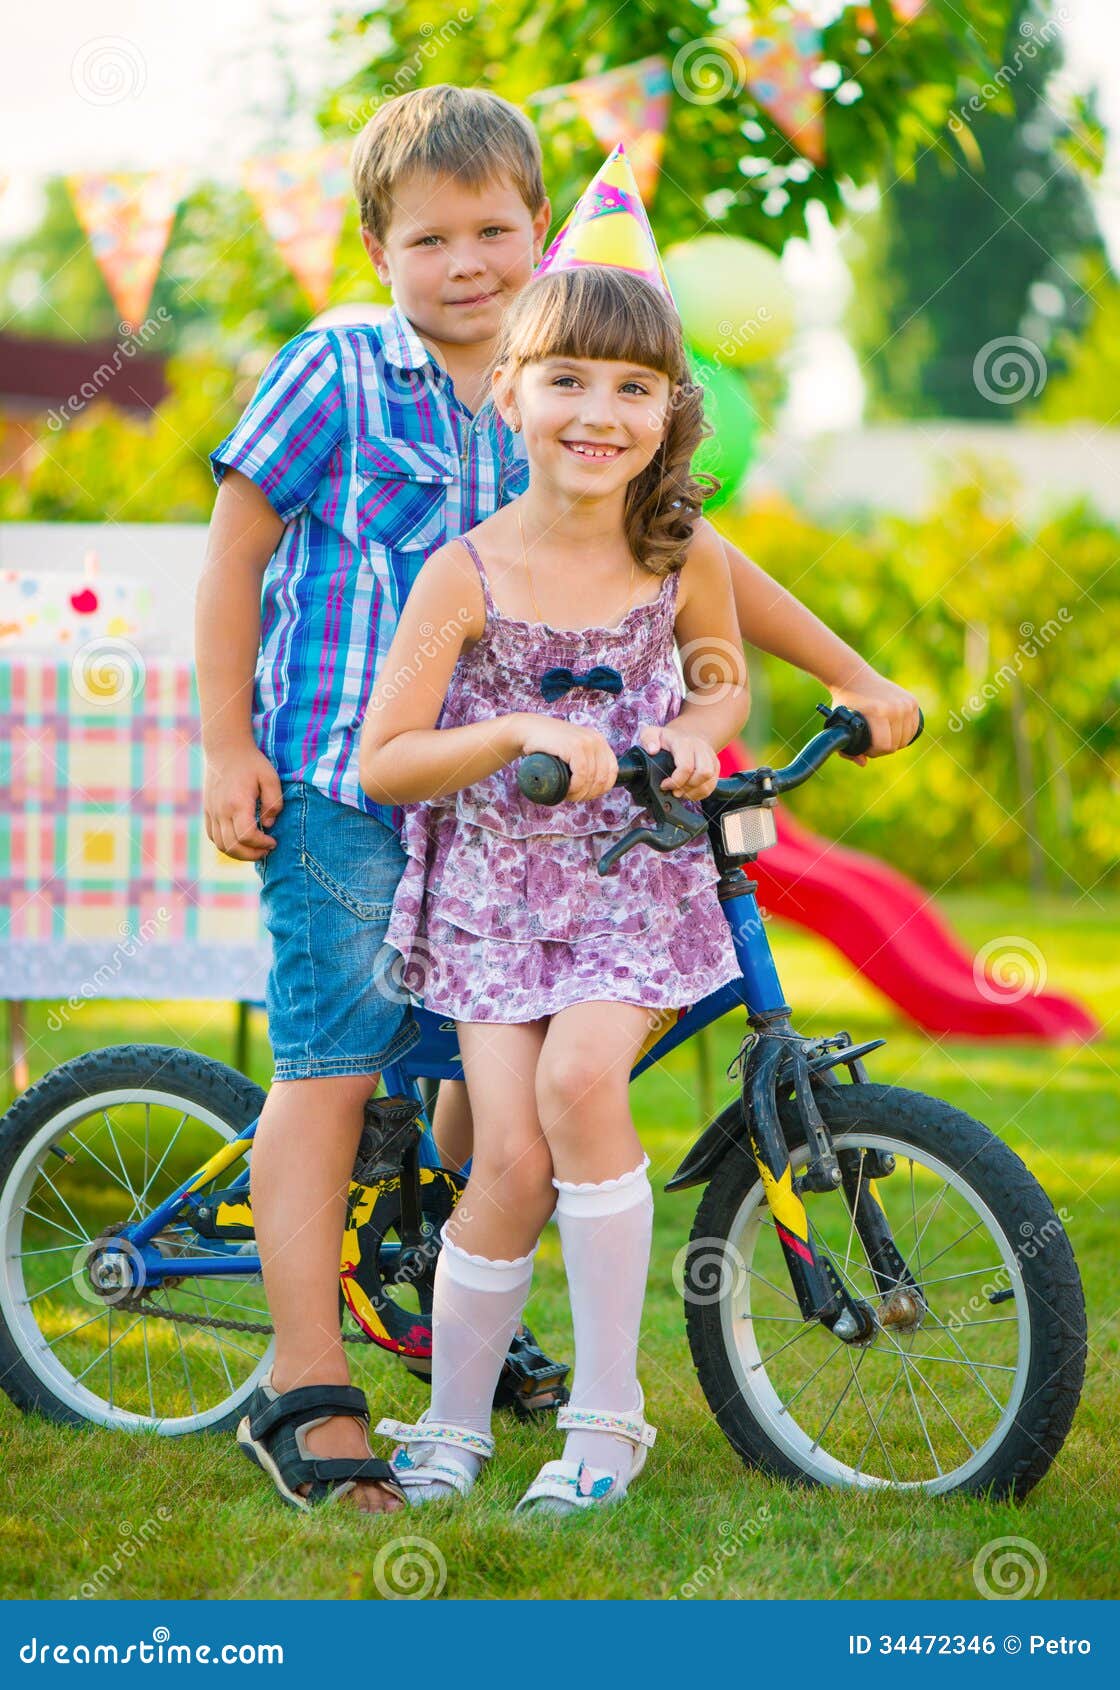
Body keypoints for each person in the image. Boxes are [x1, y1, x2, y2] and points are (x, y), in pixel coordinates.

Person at [197, 84, 918, 1520]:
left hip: (538, 823)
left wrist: (847, 672)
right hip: (349, 771)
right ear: (376, 248)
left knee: (489, 1111)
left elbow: (705, 568)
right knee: (335, 1059)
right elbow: (234, 553)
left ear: (538, 240)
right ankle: (306, 1380)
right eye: (429, 238)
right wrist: (227, 742)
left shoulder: (576, 377)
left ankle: (455, 1297)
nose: (465, 262)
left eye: (495, 231)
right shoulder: (342, 368)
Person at [359, 262, 753, 1514]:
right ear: (512, 396)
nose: (599, 410)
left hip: (633, 883)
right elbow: (388, 756)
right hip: (493, 902)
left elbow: (720, 680)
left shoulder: (680, 555)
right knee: (509, 1160)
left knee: (581, 1082)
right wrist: (515, 727)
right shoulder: (461, 574)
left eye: (633, 386)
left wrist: (701, 726)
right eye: (567, 377)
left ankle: (607, 1419)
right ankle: (451, 1424)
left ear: (670, 411)